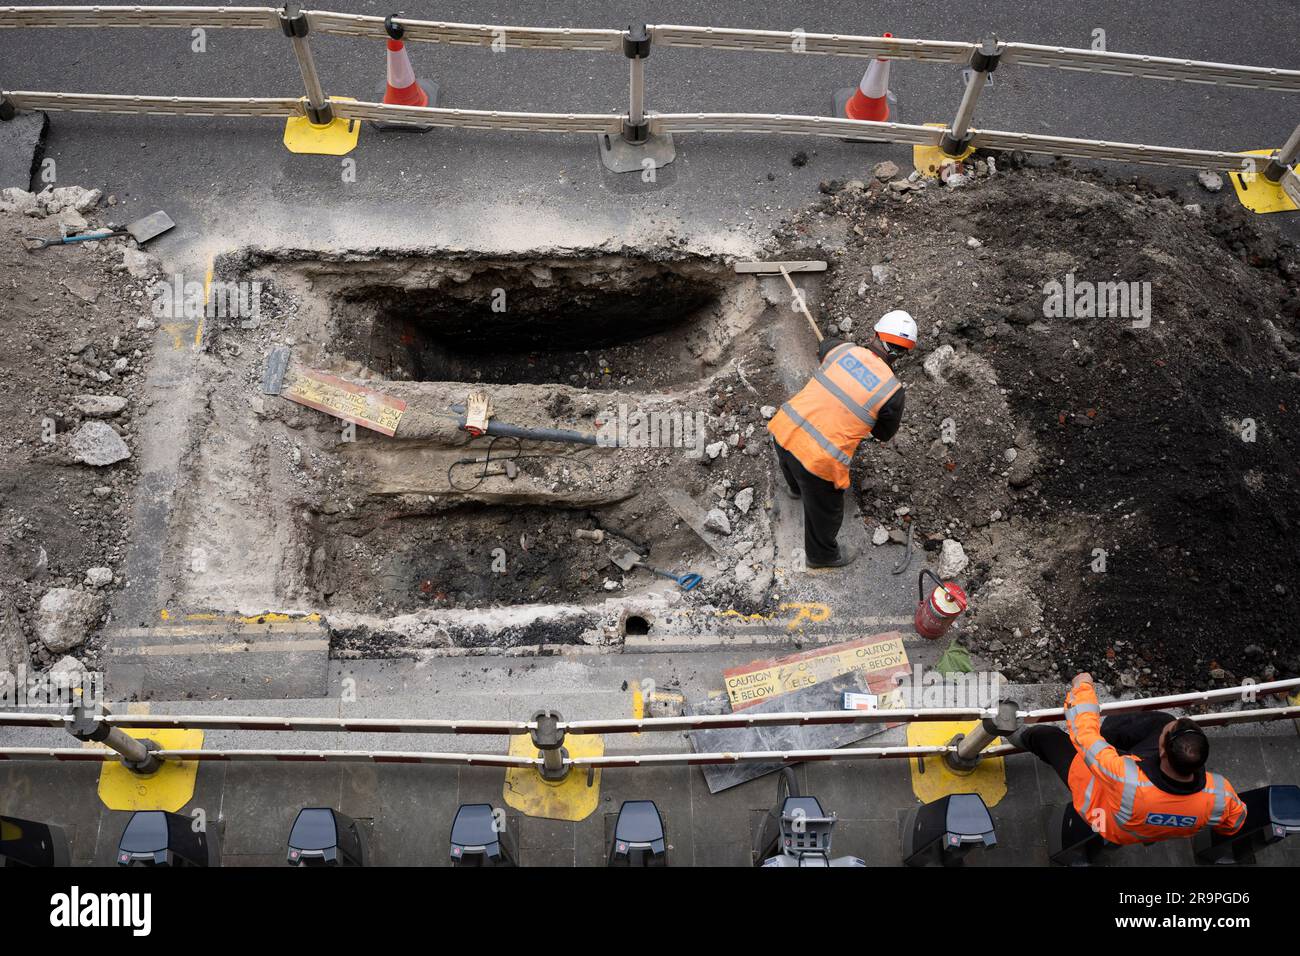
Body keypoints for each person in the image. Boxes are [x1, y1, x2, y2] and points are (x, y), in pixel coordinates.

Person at [1012, 671, 1247, 845]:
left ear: (1162, 751)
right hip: (1141, 822)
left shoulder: (1125, 777)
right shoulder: (1219, 795)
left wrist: (1082, 686)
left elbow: (1084, 735)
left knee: (1048, 737)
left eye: (1165, 736)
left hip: (1104, 817)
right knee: (1160, 722)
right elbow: (1234, 823)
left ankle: (1013, 734)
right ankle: (1112, 737)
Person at [766, 310, 915, 568]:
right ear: (902, 354)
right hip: (819, 462)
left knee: (790, 455)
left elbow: (824, 346)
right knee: (827, 511)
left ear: (875, 334)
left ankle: (795, 489)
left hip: (783, 427)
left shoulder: (840, 350)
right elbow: (883, 433)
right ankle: (821, 555)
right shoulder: (892, 392)